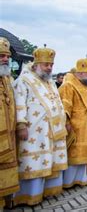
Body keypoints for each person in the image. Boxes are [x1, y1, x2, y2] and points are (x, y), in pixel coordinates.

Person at [13, 47, 68, 206]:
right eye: (46, 65)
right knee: (33, 162)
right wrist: (21, 124)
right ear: (37, 64)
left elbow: (58, 103)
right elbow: (19, 104)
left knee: (47, 160)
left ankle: (45, 192)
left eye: (51, 65)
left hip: (52, 130)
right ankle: (28, 196)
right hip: (33, 131)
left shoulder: (50, 81)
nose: (49, 68)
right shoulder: (24, 80)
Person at [59, 58, 87, 188]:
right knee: (76, 154)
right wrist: (67, 123)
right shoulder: (69, 85)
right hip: (77, 127)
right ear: (80, 72)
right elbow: (65, 106)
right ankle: (71, 181)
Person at [0, 38, 19, 209]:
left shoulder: (8, 79)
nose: (6, 59)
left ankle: (7, 201)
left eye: (7, 56)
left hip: (9, 135)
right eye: (1, 56)